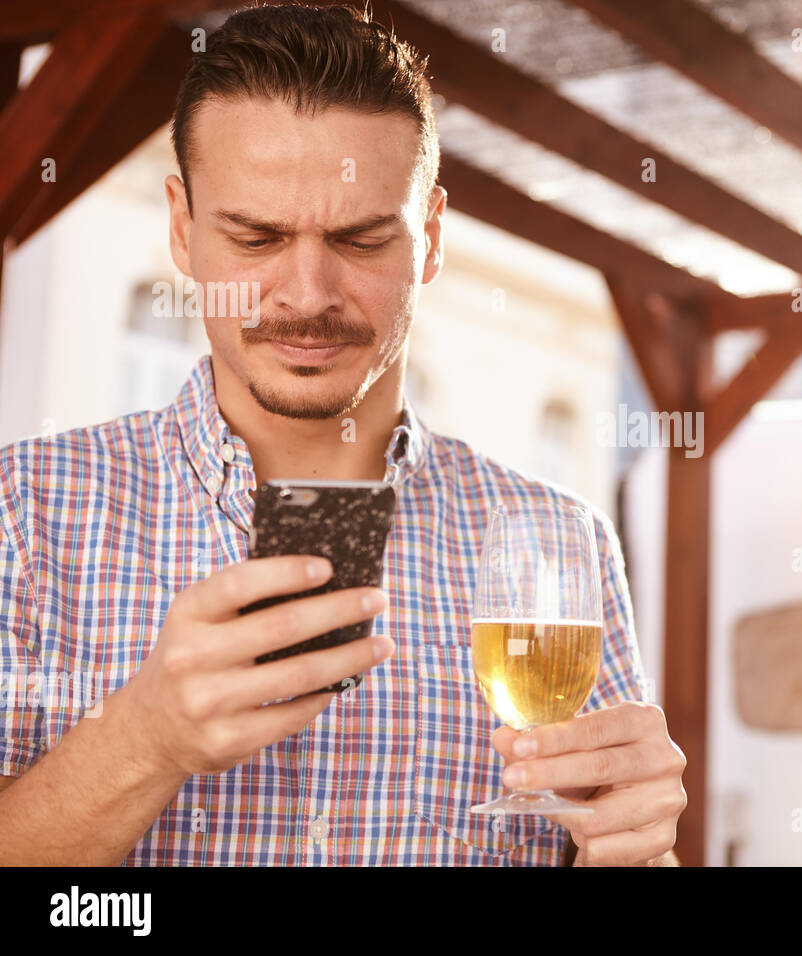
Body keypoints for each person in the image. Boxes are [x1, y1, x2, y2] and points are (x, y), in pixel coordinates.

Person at [0, 3, 685, 866]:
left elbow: (616, 838)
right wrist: (145, 738)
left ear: (430, 237)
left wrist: (641, 849)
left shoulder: (558, 537)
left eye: (361, 239)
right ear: (182, 228)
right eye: (256, 236)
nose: (308, 293)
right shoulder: (20, 510)